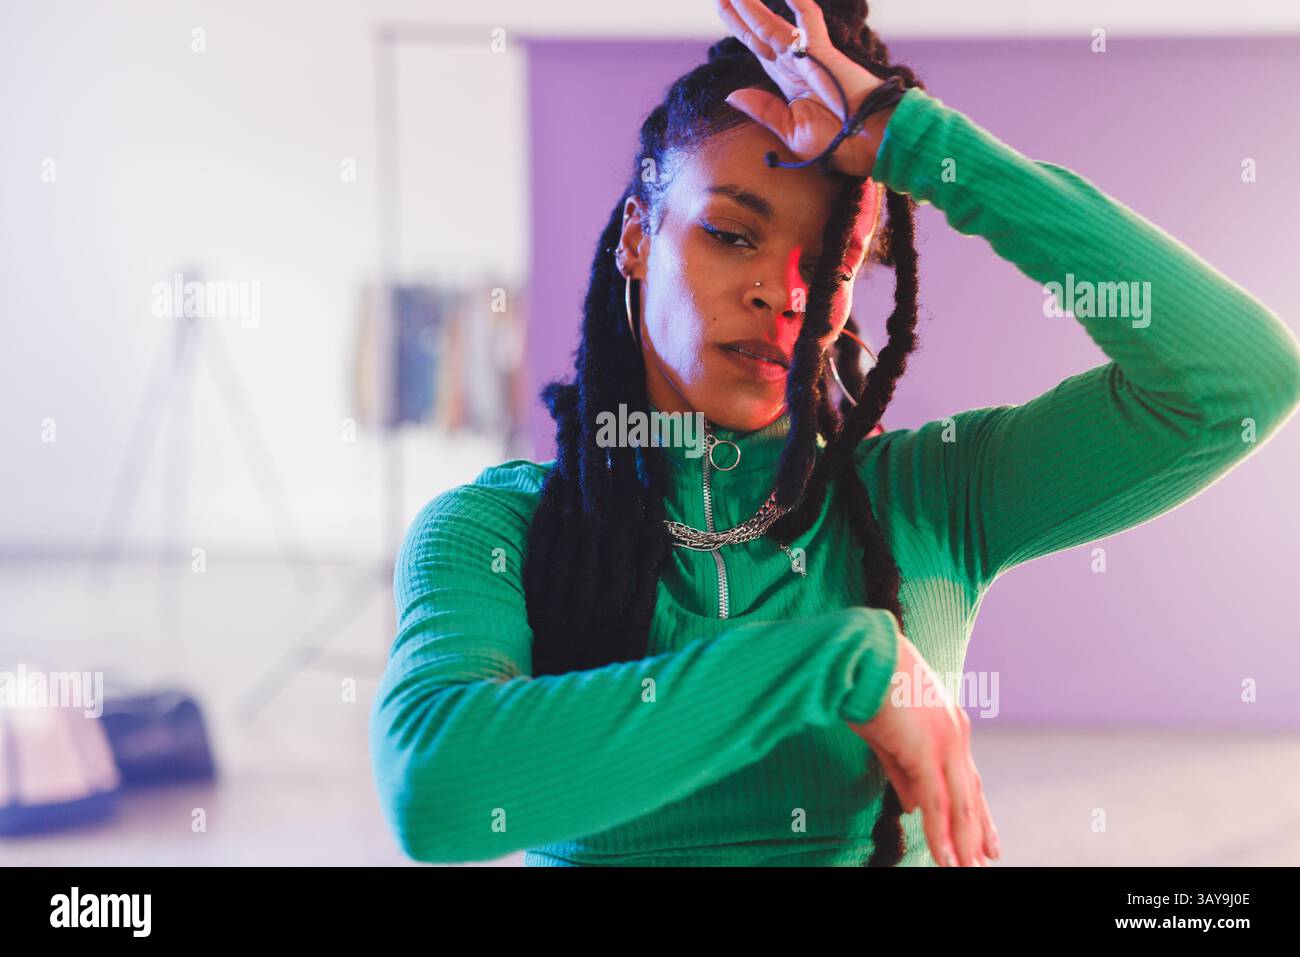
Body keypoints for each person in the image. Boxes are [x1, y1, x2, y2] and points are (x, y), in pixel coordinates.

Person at [369, 0, 1300, 866]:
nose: (782, 292)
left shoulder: (931, 496)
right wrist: (834, 661)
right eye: (733, 235)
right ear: (639, 237)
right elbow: (436, 795)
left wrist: (925, 148)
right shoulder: (496, 532)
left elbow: (1239, 384)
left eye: (830, 263)